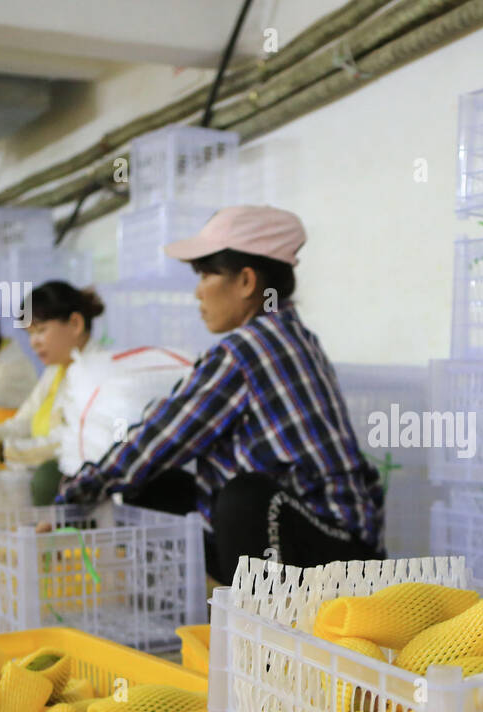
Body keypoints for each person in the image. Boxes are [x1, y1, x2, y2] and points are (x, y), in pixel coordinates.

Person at [56, 204, 385, 586]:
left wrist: (71, 496)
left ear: (246, 282)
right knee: (156, 487)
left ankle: (265, 628)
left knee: (244, 498)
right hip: (314, 541)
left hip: (339, 555)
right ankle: (209, 608)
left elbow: (159, 438)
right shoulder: (291, 335)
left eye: (207, 275)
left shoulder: (246, 351)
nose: (198, 293)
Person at [0, 282, 104, 505]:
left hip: (81, 493)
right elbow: (23, 423)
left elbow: (65, 443)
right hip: (44, 477)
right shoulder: (55, 370)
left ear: (75, 324)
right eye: (29, 334)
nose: (34, 342)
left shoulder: (96, 374)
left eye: (40, 330)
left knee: (46, 477)